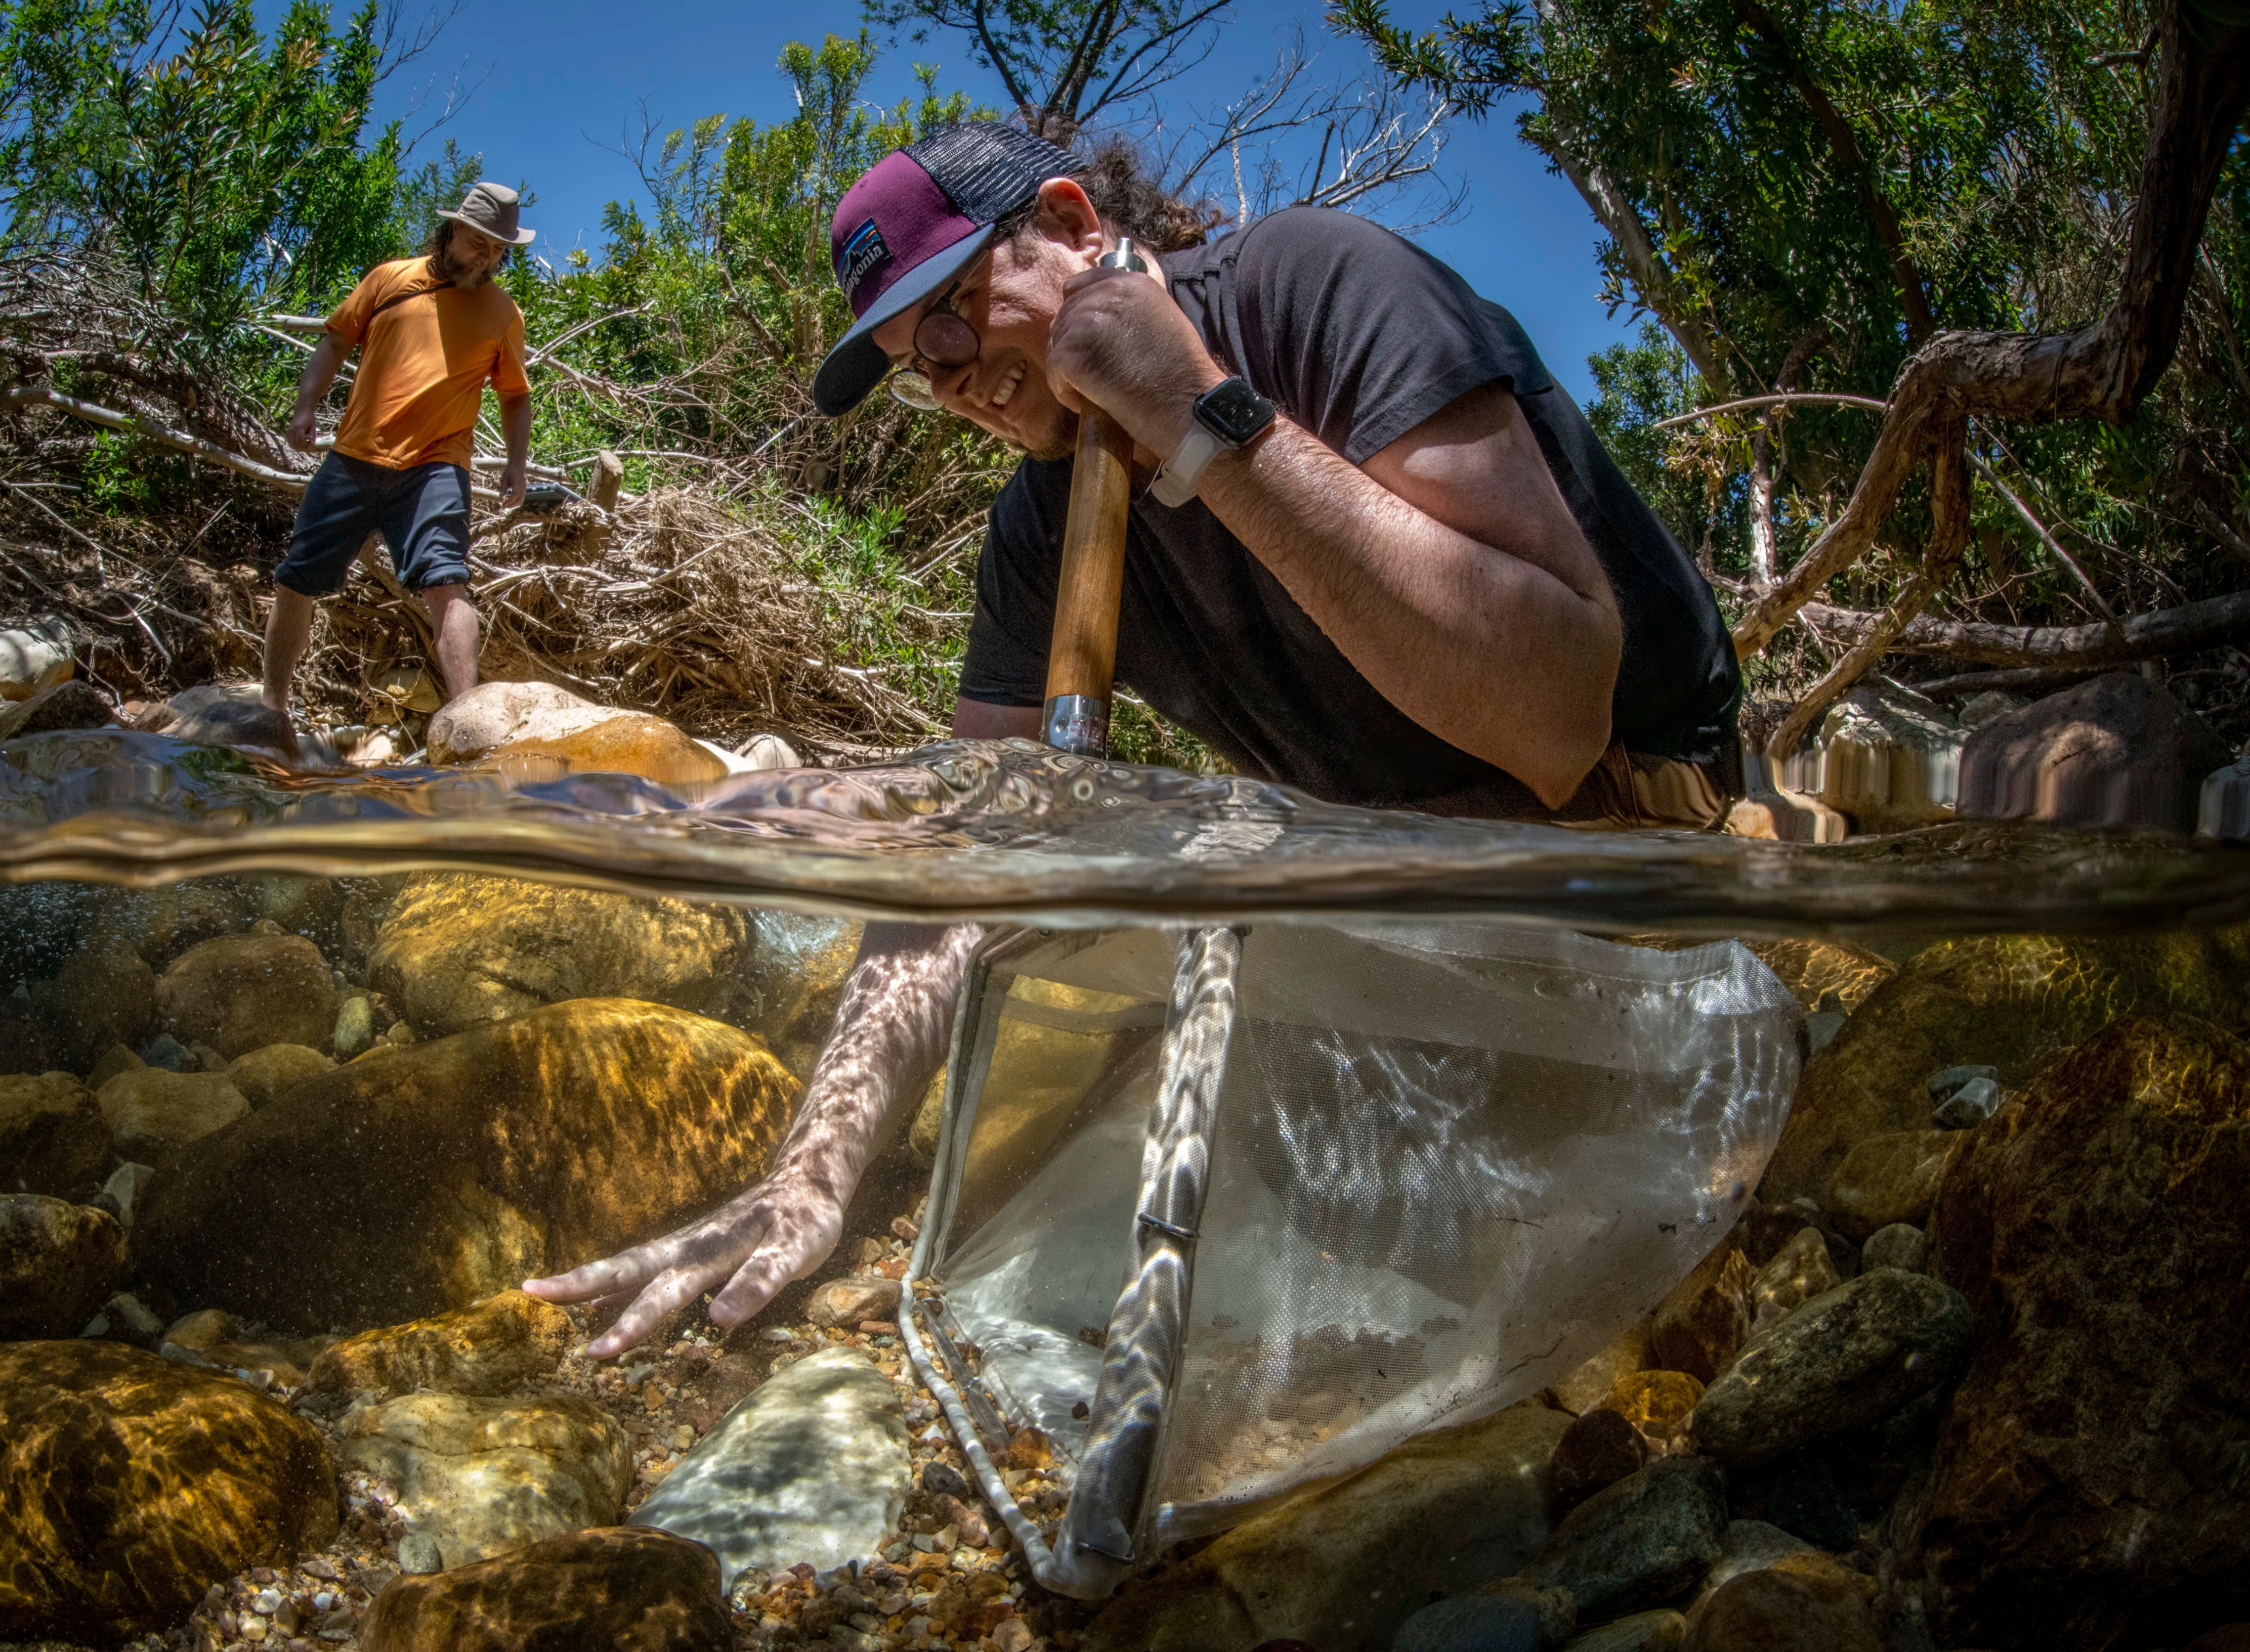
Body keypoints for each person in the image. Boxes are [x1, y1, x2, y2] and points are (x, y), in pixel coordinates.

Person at [523, 122, 1742, 1354]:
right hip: (1383, 879)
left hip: (1632, 825)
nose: (947, 373)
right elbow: (964, 860)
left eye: (952, 306)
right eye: (912, 358)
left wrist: (1195, 417)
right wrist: (814, 1173)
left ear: (1065, 223)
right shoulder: (1036, 539)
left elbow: (1549, 719)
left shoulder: (1313, 286)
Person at [261, 181, 537, 715]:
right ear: (453, 230)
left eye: (501, 249)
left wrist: (516, 464)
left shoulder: (502, 312)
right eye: (481, 243)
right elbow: (336, 339)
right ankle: (271, 712)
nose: (490, 257)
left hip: (436, 465)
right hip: (354, 457)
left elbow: (514, 396)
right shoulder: (390, 279)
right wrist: (305, 405)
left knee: (448, 584)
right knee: (296, 579)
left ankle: (468, 722)